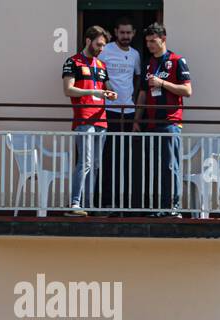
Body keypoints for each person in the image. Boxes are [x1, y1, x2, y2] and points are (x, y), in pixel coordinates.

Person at [133, 23, 192, 216]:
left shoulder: (177, 60)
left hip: (170, 122)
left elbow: (187, 90)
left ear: (163, 39)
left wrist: (162, 83)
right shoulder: (148, 63)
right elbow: (142, 93)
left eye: (153, 41)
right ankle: (158, 207)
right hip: (150, 123)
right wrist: (136, 120)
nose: (149, 45)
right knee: (154, 167)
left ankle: (172, 207)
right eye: (147, 41)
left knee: (169, 165)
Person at [61, 26, 117, 216]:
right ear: (87, 41)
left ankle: (89, 204)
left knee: (96, 164)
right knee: (84, 162)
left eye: (104, 46)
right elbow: (68, 90)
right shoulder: (73, 62)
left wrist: (111, 94)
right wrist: (93, 92)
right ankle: (75, 203)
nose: (102, 49)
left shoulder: (101, 65)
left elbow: (107, 88)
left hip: (101, 119)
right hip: (84, 118)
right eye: (99, 44)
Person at [99, 17, 141, 212]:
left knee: (127, 159)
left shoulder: (135, 55)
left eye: (128, 33)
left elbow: (138, 79)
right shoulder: (105, 50)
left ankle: (127, 202)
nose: (125, 36)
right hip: (108, 111)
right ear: (115, 32)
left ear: (133, 34)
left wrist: (132, 99)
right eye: (122, 32)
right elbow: (96, 75)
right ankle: (107, 201)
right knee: (108, 157)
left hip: (129, 112)